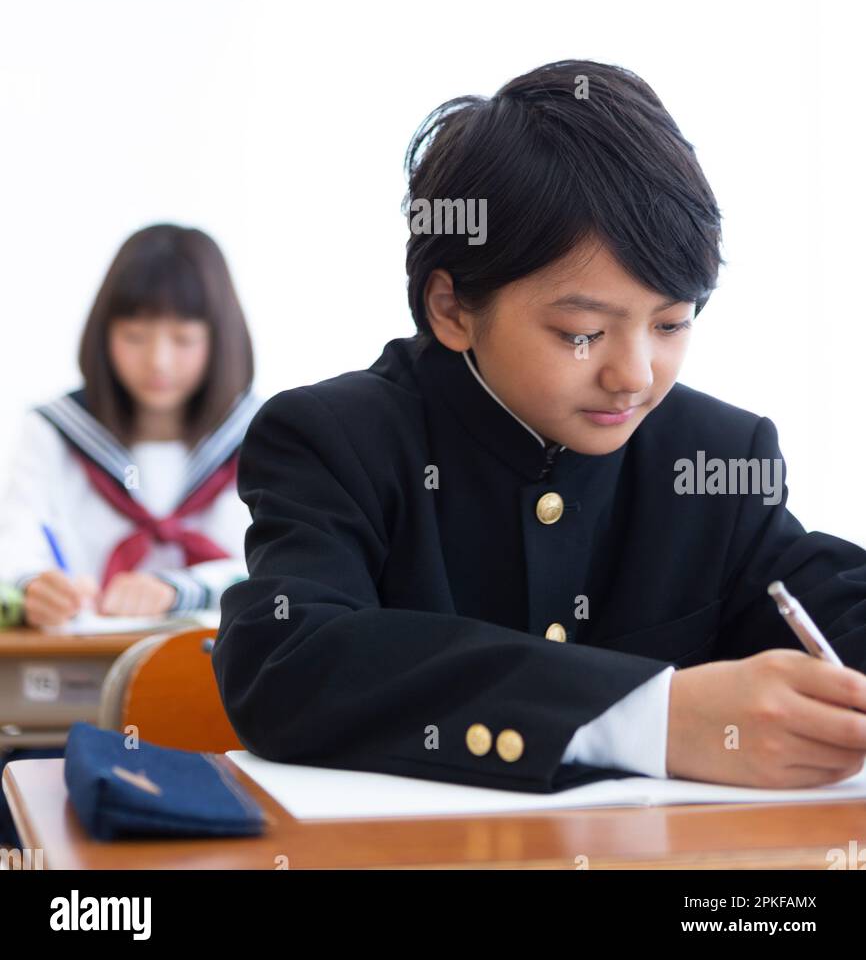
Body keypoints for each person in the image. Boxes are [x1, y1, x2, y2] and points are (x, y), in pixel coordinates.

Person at [212, 61, 866, 793]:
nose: (636, 374)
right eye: (583, 331)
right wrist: (653, 714)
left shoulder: (714, 454)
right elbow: (287, 661)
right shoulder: (335, 441)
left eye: (672, 323)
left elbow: (829, 600)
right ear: (453, 309)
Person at [0, 222, 262, 842]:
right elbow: (14, 547)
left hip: (219, 702)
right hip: (67, 703)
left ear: (219, 337)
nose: (159, 361)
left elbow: (280, 566)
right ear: (103, 334)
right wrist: (33, 586)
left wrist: (179, 589)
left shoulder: (265, 435)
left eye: (182, 335)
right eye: (135, 334)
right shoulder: (50, 435)